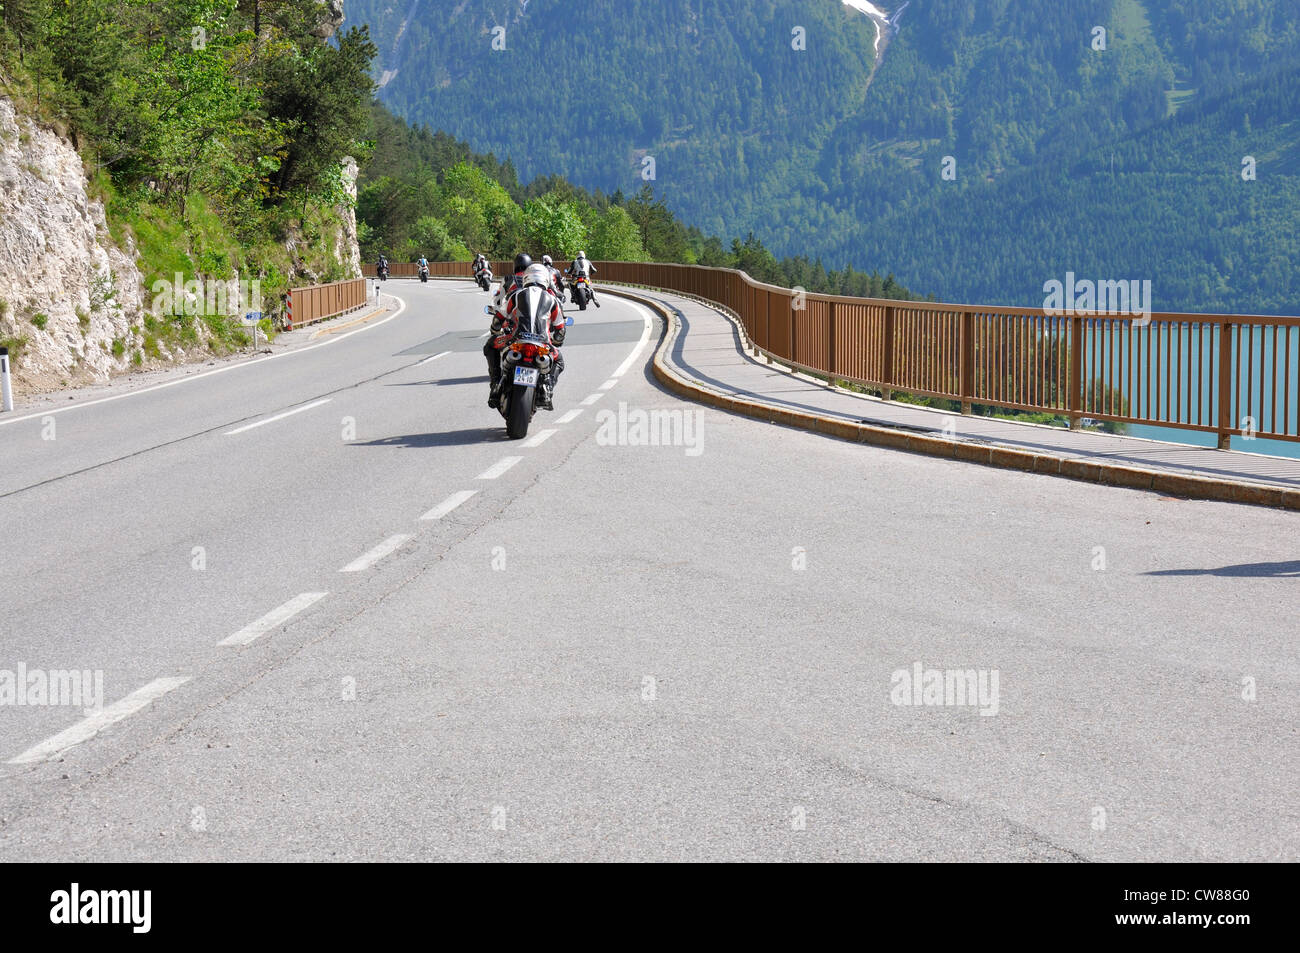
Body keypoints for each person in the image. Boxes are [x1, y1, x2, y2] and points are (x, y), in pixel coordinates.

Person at [484, 256, 566, 410]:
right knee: (559, 360)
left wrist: (495, 330)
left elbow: (499, 318)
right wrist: (556, 340)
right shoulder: (552, 300)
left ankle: (495, 385)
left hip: (516, 340)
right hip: (542, 344)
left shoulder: (516, 295)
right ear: (546, 280)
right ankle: (547, 388)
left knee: (490, 345)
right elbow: (560, 329)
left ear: (527, 278)